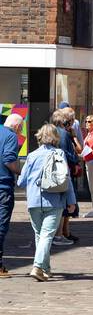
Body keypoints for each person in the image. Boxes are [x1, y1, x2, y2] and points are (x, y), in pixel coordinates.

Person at [16, 123, 77, 281]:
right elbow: (66, 179)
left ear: (40, 136)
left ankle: (46, 269)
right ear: (55, 137)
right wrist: (72, 201)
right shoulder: (59, 153)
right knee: (47, 235)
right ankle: (37, 266)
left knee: (40, 235)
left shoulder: (32, 155)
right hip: (54, 200)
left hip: (35, 201)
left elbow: (21, 182)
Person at [52, 110, 81, 246]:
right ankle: (59, 235)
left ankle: (62, 233)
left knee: (60, 203)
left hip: (54, 172)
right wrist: (75, 160)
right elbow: (67, 153)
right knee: (65, 202)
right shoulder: (63, 134)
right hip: (64, 171)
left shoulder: (53, 131)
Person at [0, 112, 24, 278]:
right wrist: (21, 172)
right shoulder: (11, 136)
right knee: (1, 225)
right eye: (20, 129)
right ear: (17, 127)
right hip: (3, 186)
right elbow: (9, 160)